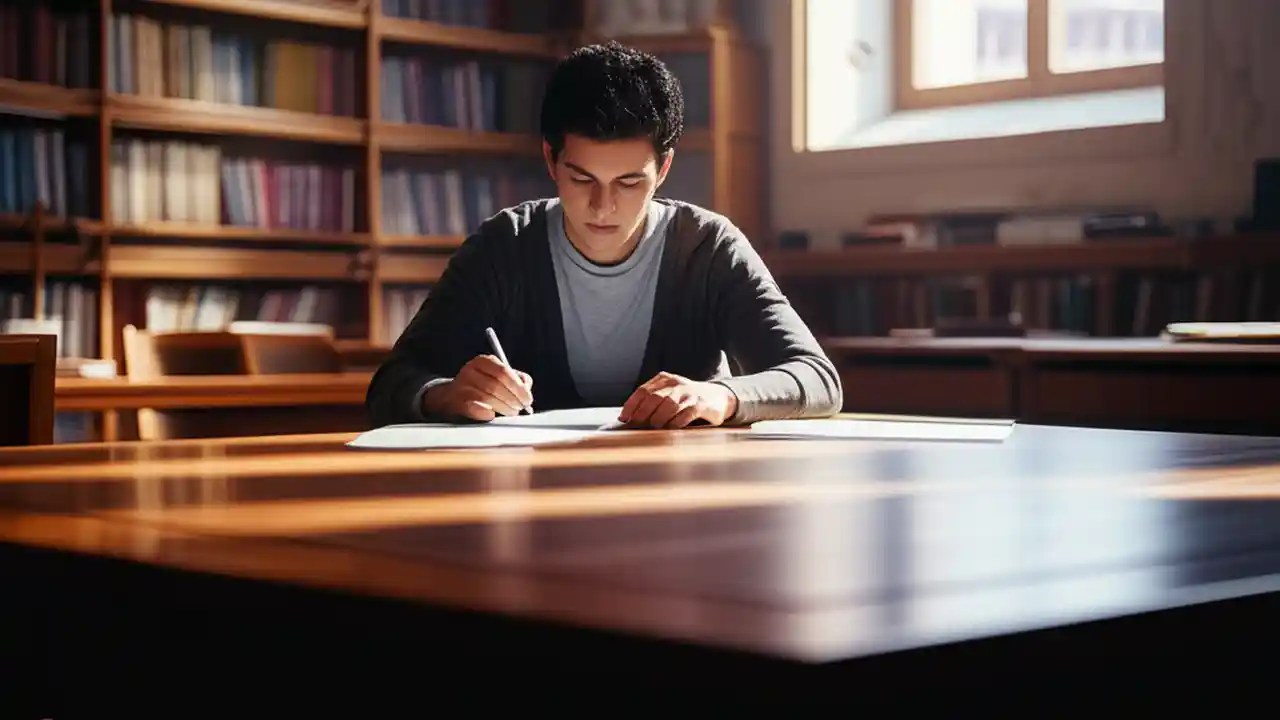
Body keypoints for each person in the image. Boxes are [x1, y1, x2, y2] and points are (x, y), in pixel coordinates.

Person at [367, 41, 841, 429]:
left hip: (684, 495)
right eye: (582, 179)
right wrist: (443, 395)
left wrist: (724, 396)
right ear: (551, 160)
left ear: (664, 169)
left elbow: (818, 379)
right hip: (538, 498)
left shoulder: (708, 248)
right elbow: (391, 383)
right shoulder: (505, 246)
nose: (604, 206)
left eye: (630, 183)